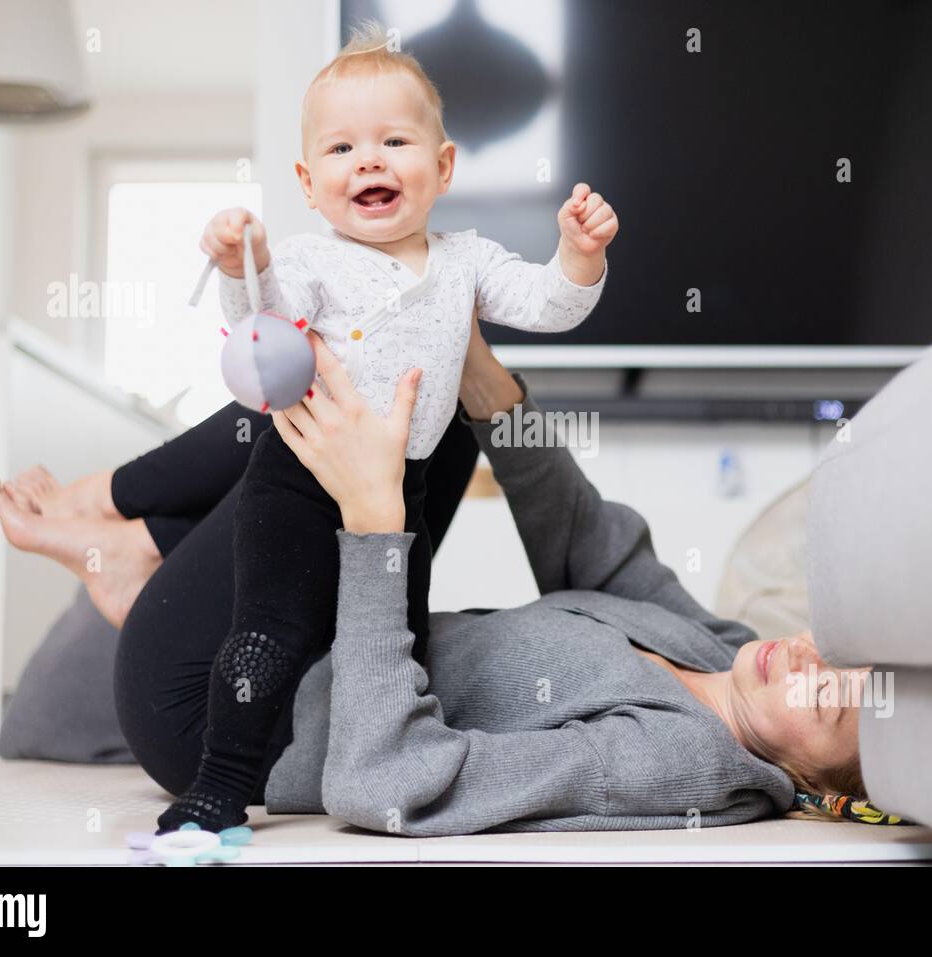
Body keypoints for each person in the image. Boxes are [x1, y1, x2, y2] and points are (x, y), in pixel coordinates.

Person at [0, 318, 871, 835]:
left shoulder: (679, 763)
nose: (802, 663)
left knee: (337, 365)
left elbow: (387, 779)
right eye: (833, 656)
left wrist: (378, 523)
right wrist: (487, 381)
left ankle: (106, 504)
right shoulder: (725, 652)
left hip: (218, 709)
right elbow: (597, 551)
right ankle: (139, 550)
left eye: (827, 701)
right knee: (422, 370)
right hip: (304, 648)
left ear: (829, 791)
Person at [147, 17, 616, 831]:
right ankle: (220, 784)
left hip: (405, 491)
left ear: (441, 168)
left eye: (393, 141)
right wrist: (242, 263)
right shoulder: (310, 260)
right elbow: (266, 323)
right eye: (340, 150)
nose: (367, 159)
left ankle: (361, 762)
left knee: (398, 644)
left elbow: (550, 305)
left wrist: (580, 257)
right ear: (307, 181)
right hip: (300, 479)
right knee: (268, 632)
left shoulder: (468, 259)